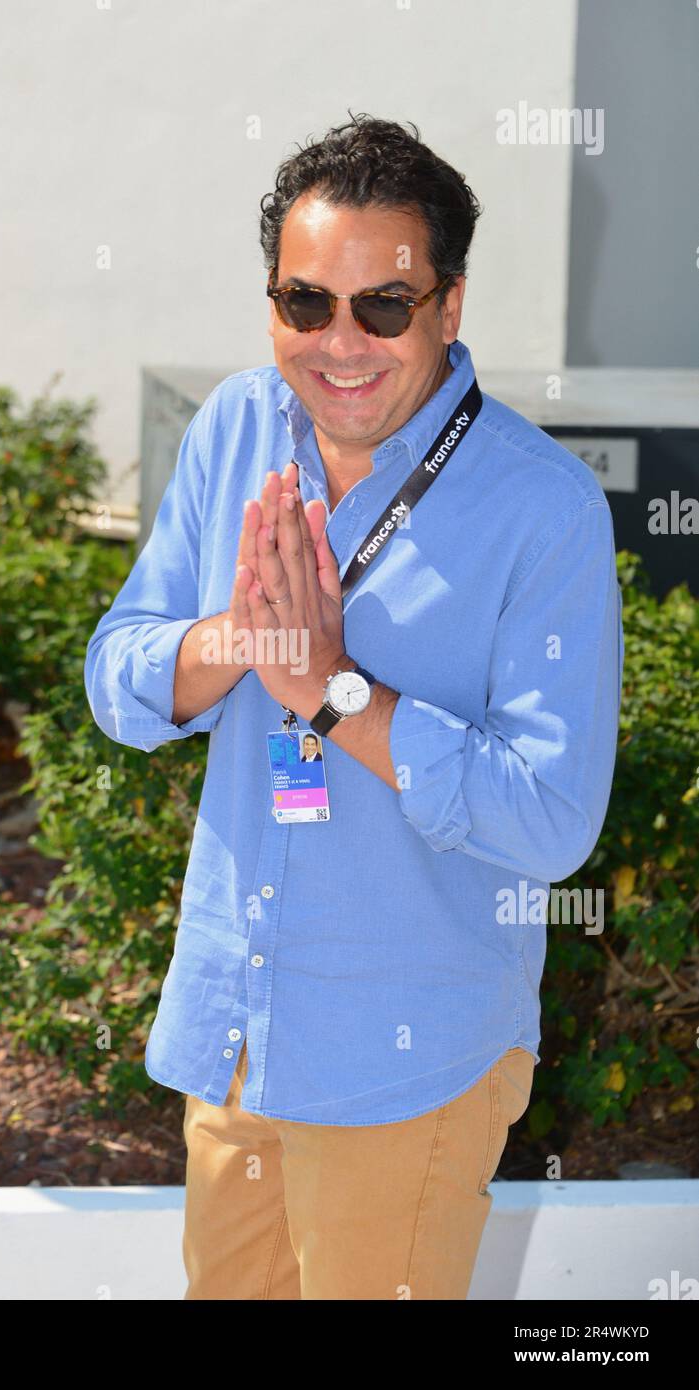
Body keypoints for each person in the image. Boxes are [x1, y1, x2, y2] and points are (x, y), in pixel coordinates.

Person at [84, 113, 624, 1300]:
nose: (339, 343)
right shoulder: (235, 424)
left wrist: (330, 689)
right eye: (302, 302)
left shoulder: (543, 510)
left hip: (407, 1067)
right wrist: (240, 638)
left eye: (381, 305)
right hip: (238, 1033)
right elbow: (117, 680)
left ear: (448, 303)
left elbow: (548, 819)